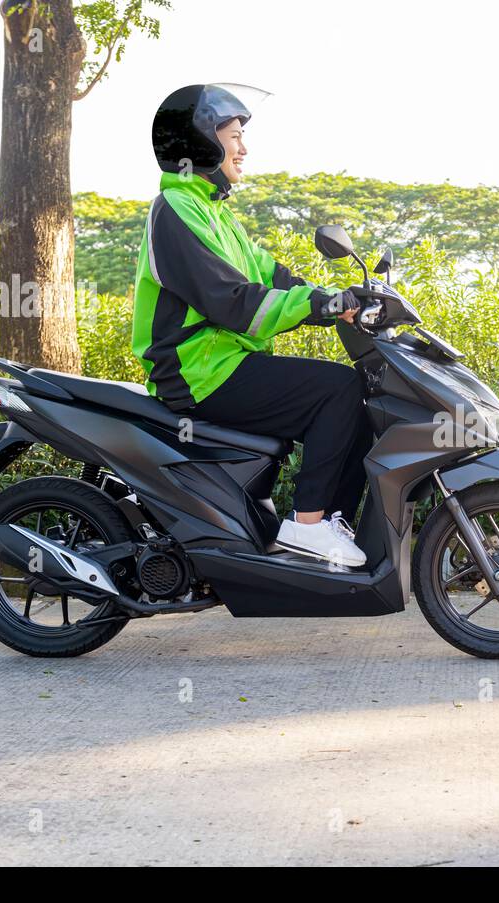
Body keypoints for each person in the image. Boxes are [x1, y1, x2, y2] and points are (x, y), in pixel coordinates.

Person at [133, 83, 370, 567]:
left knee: (361, 409)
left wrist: (338, 299)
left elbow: (270, 276)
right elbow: (232, 301)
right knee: (338, 389)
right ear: (201, 140)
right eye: (234, 135)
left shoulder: (214, 213)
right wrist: (319, 306)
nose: (244, 148)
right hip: (196, 371)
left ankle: (331, 528)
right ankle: (308, 526)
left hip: (223, 364)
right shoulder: (176, 210)